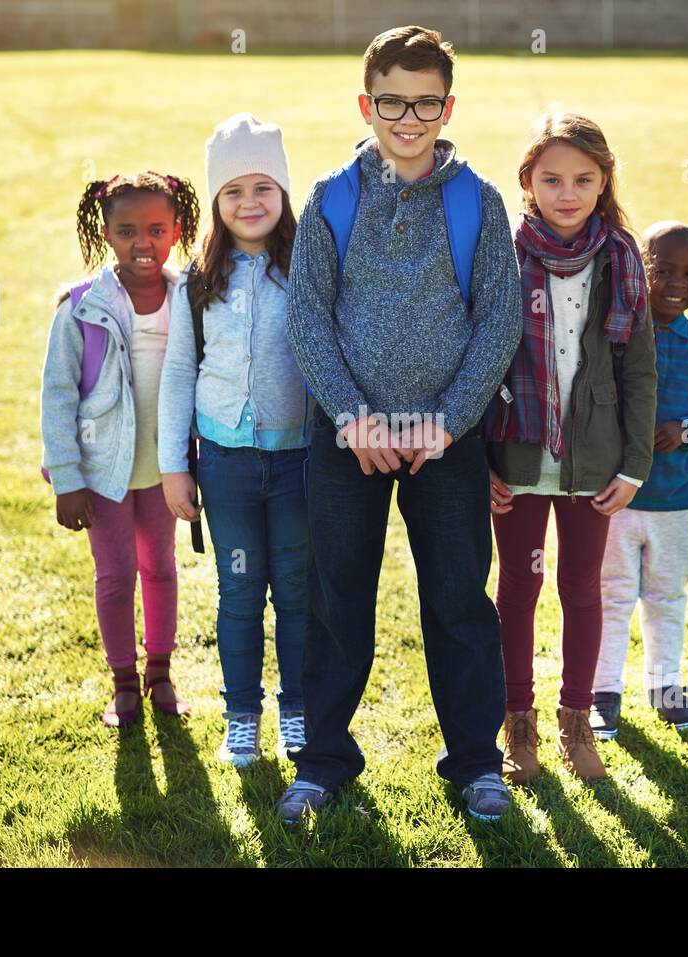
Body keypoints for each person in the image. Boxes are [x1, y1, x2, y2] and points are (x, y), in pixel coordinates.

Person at [280, 25, 523, 822]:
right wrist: (353, 418)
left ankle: (476, 762)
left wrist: (448, 423)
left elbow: (498, 322)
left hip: (444, 442)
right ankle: (321, 761)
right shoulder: (333, 195)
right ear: (366, 102)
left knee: (457, 598)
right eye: (393, 101)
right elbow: (309, 315)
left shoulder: (477, 201)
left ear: (448, 107)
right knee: (334, 596)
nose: (408, 118)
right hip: (347, 438)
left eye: (425, 103)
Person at [485, 111, 657, 784]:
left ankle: (576, 721)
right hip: (517, 456)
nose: (567, 192)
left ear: (603, 179)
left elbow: (639, 370)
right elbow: (478, 361)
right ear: (527, 180)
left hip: (594, 462)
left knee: (582, 587)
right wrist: (479, 464)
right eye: (552, 178)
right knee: (518, 588)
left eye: (583, 179)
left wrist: (634, 463)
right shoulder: (501, 257)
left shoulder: (620, 260)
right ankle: (517, 725)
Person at [159, 114, 311, 767]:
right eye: (233, 192)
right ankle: (242, 714)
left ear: (283, 194)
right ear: (217, 204)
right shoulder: (197, 281)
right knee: (241, 589)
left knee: (300, 591)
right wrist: (175, 466)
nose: (250, 203)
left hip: (299, 461)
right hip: (225, 463)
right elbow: (177, 373)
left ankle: (299, 711)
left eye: (264, 188)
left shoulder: (307, 267)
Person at [40, 171, 200, 728]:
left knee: (159, 567)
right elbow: (58, 396)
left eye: (156, 230)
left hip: (163, 470)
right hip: (101, 473)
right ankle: (123, 681)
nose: (143, 243)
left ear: (176, 231)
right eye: (127, 230)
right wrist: (66, 477)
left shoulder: (189, 301)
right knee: (114, 574)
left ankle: (160, 673)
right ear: (105, 233)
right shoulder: (81, 308)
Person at [589, 220, 688, 738]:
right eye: (665, 270)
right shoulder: (619, 335)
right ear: (640, 268)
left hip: (678, 501)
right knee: (611, 596)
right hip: (614, 499)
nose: (679, 283)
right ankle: (603, 693)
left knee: (666, 596)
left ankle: (665, 688)